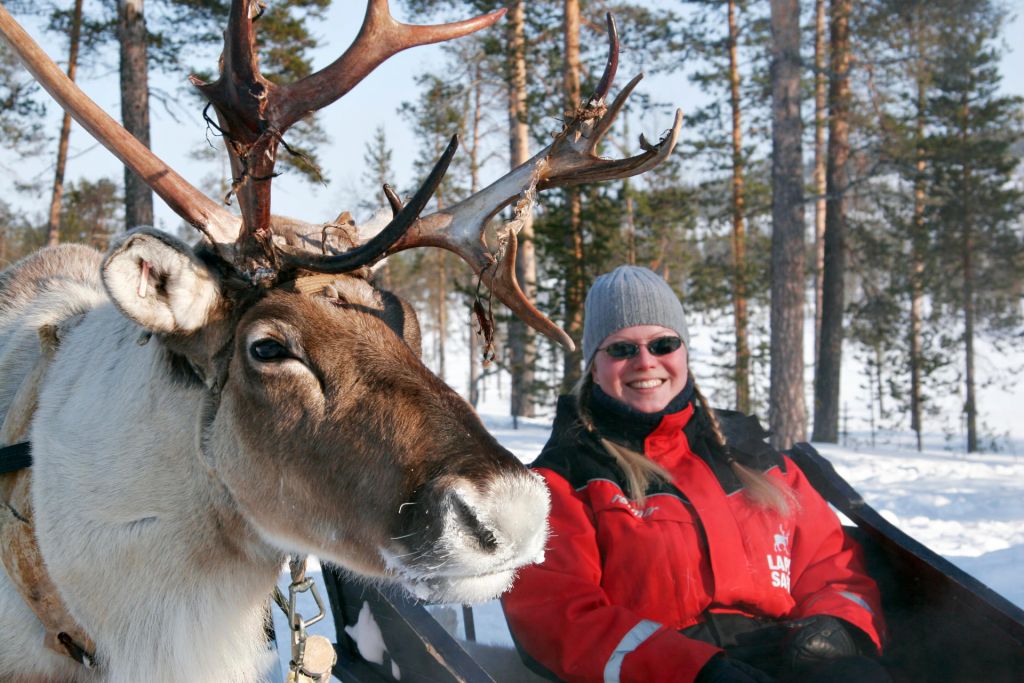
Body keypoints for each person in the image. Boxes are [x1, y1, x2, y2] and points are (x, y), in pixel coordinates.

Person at [502, 266, 888, 683]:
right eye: (621, 349)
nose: (645, 361)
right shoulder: (564, 479)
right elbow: (558, 615)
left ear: (684, 353)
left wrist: (838, 626)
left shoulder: (755, 457)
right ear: (594, 367)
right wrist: (698, 671)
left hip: (783, 659)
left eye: (663, 344)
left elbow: (831, 563)